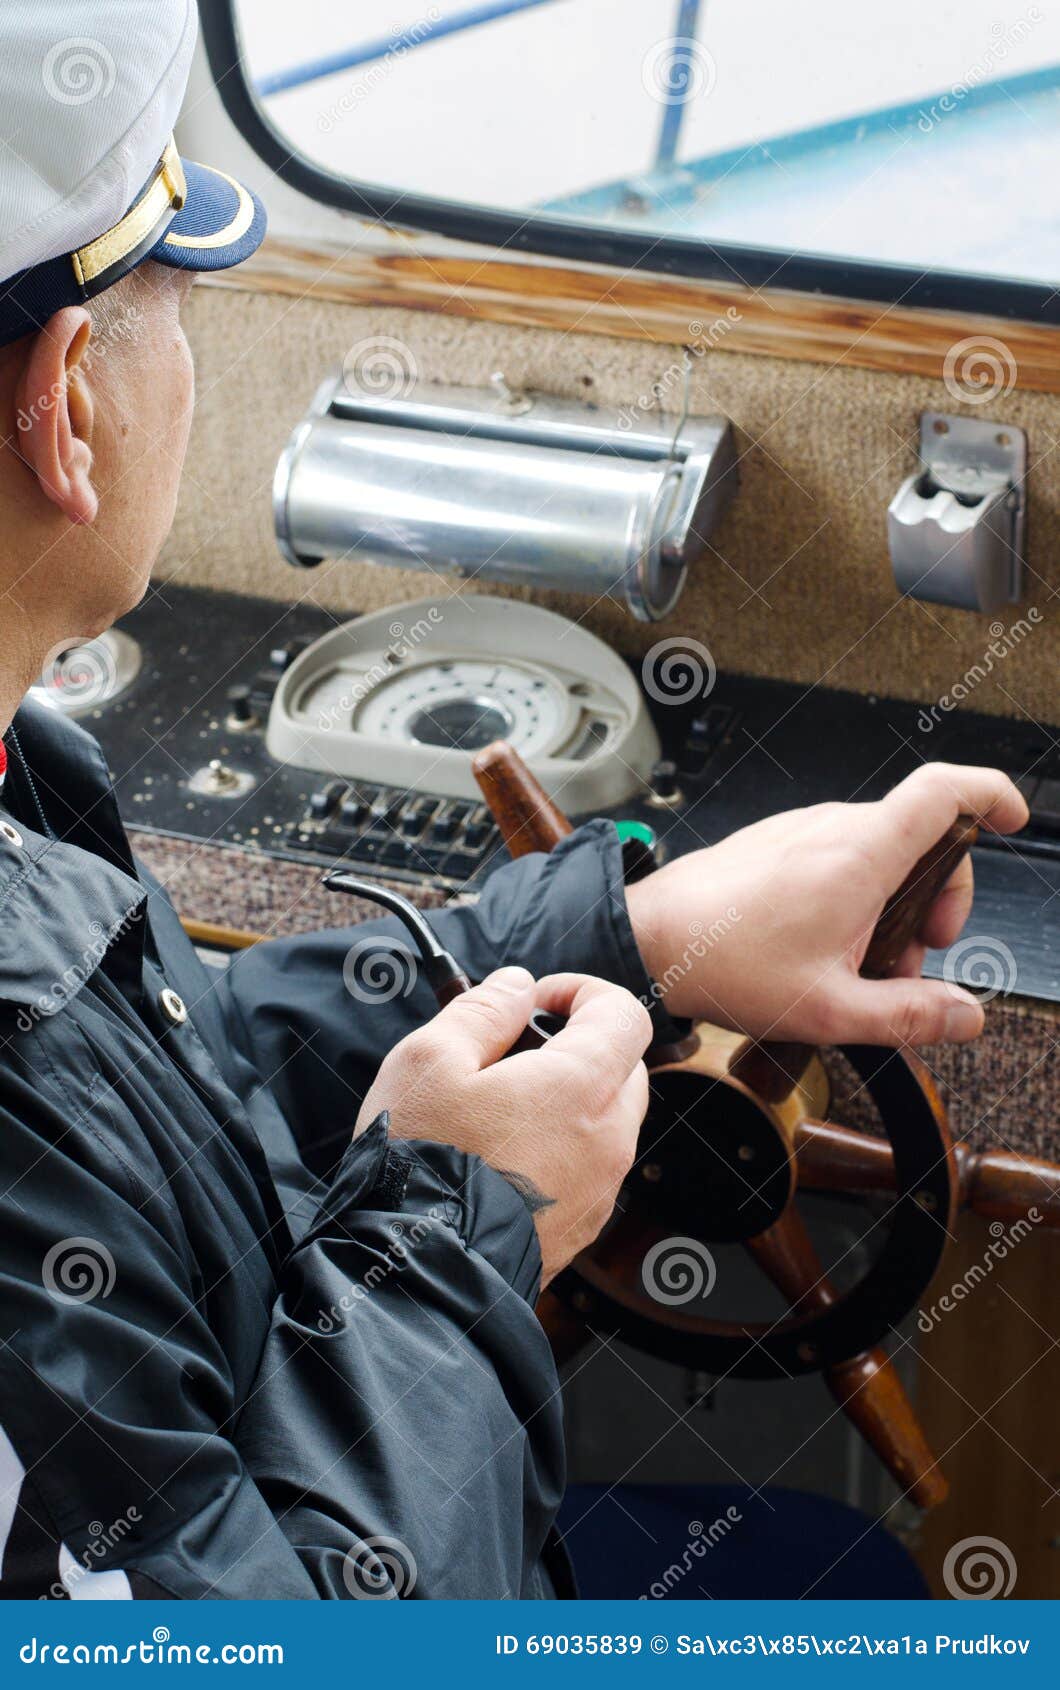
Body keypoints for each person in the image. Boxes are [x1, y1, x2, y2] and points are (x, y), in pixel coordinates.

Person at [0, 0, 1026, 1601]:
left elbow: (162, 1101)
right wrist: (459, 1219)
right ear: (69, 403)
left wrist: (627, 934)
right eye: (177, 291)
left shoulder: (25, 773)